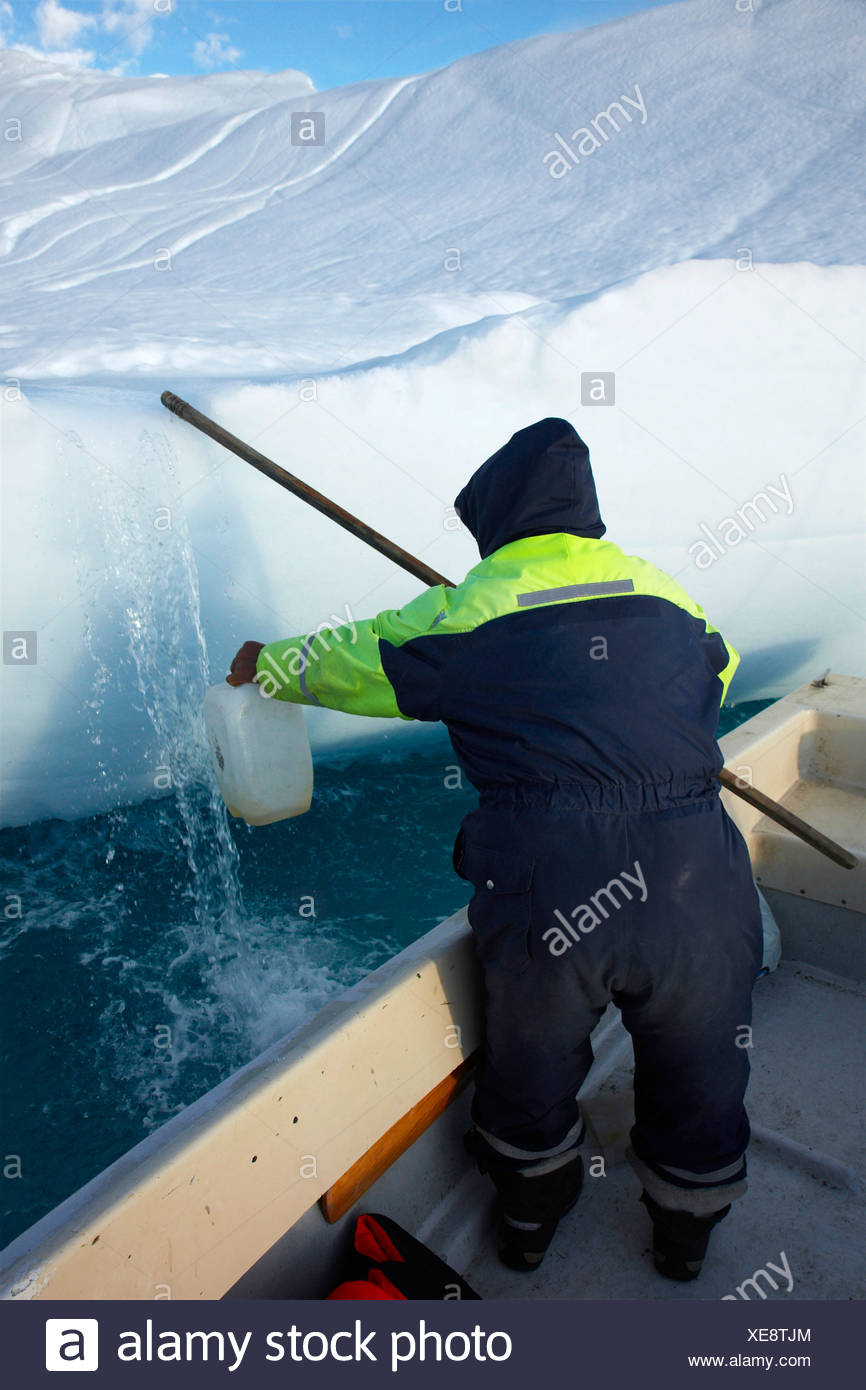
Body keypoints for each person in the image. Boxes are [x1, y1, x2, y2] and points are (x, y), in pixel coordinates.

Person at [227, 418, 762, 1281]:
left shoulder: (466, 609)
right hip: (697, 869)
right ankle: (685, 1239)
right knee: (702, 1057)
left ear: (495, 517)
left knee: (532, 1063)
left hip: (552, 880)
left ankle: (527, 1227)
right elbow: (719, 669)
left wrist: (271, 664)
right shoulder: (668, 593)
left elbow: (359, 660)